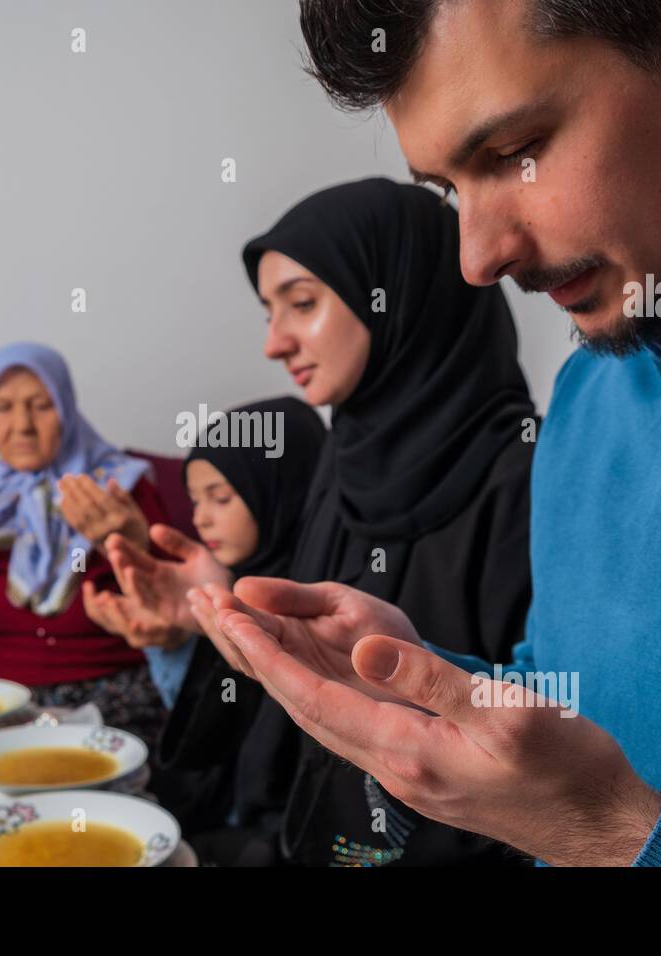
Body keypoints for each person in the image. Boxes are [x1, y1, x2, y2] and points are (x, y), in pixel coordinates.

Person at [208, 0, 661, 866]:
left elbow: (602, 811)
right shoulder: (590, 388)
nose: (477, 258)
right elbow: (586, 702)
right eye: (448, 189)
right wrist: (422, 690)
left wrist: (618, 837)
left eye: (515, 153)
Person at [107, 179, 539, 865]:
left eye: (302, 304)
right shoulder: (344, 459)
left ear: (397, 291)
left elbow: (535, 733)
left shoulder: (522, 475)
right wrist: (218, 608)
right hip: (305, 834)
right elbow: (316, 666)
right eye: (268, 312)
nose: (274, 344)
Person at [82, 397, 327, 842]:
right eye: (195, 499)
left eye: (220, 498)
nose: (200, 517)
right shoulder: (226, 577)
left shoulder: (319, 593)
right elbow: (204, 729)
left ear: (277, 488)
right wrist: (172, 637)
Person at [0, 342, 171, 743]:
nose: (23, 425)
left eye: (42, 405)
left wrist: (132, 547)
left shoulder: (119, 489)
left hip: (106, 690)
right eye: (3, 408)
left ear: (67, 409)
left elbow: (175, 618)